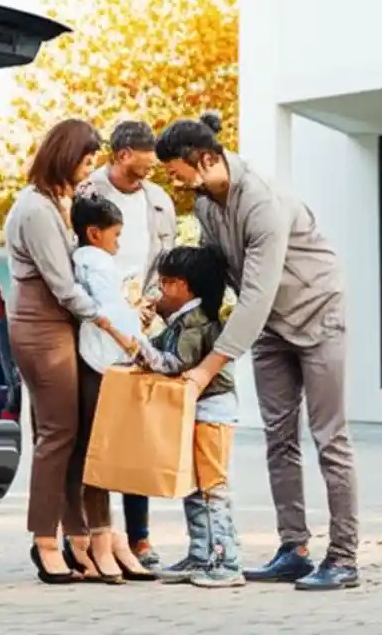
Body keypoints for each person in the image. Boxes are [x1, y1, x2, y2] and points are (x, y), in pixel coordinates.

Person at [153, 112, 360, 591]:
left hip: (317, 315)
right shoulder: (206, 205)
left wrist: (207, 368)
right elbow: (213, 277)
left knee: (330, 437)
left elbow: (256, 293)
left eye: (175, 169)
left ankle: (345, 557)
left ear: (204, 160)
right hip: (269, 328)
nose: (172, 179)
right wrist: (165, 308)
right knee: (279, 437)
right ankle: (295, 548)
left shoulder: (262, 203)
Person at [3, 118, 120, 585]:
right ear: (66, 156)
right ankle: (44, 541)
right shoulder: (34, 209)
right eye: (86, 160)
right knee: (56, 436)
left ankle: (78, 537)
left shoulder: (54, 202)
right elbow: (63, 285)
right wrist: (110, 320)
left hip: (58, 324)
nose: (90, 169)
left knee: (74, 435)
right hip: (41, 325)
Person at [79, 120, 177, 568]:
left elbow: (165, 260)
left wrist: (151, 306)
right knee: (96, 434)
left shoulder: (159, 202)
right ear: (121, 156)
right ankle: (88, 534)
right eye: (143, 164)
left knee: (136, 432)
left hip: (142, 327)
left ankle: (139, 537)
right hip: (97, 329)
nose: (151, 171)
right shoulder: (87, 192)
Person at [131, 246, 243, 588]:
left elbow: (172, 362)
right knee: (195, 488)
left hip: (212, 410)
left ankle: (226, 561)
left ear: (185, 287)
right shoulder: (185, 318)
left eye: (166, 283)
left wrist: (134, 343)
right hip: (197, 409)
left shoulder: (197, 322)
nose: (160, 290)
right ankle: (200, 554)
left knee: (212, 488)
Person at [65, 193, 159, 582]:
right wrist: (140, 346)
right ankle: (99, 539)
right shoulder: (98, 264)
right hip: (104, 364)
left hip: (95, 360)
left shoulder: (84, 263)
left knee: (94, 452)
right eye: (116, 234)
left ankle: (102, 535)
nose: (119, 243)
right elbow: (113, 313)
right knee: (98, 454)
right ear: (94, 233)